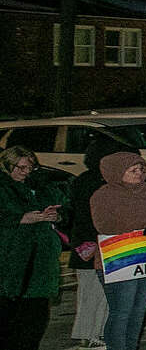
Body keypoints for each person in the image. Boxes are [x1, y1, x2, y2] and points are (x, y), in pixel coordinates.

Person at [91, 151, 146, 350]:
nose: (138, 174)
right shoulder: (103, 195)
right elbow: (104, 225)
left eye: (141, 169)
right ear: (117, 172)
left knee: (138, 311)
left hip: (144, 258)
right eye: (132, 170)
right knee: (121, 311)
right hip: (117, 260)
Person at [1, 146, 64, 349]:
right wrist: (19, 219)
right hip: (11, 262)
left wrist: (56, 216)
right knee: (11, 319)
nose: (25, 173)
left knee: (35, 319)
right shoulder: (4, 188)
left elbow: (65, 205)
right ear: (6, 166)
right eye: (20, 168)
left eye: (30, 168)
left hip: (40, 264)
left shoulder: (39, 185)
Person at [65, 136, 120, 350]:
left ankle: (87, 334)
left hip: (84, 244)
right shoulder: (101, 182)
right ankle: (93, 334)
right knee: (99, 293)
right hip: (98, 244)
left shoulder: (83, 179)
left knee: (89, 293)